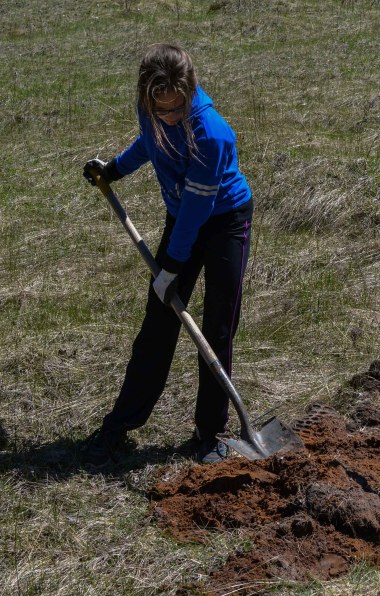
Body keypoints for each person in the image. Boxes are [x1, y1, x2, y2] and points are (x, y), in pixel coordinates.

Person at [81, 44, 253, 465]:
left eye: (178, 109)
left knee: (217, 325)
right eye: (163, 111)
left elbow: (198, 208)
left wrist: (172, 266)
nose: (171, 117)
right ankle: (119, 425)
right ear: (148, 98)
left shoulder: (211, 133)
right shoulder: (151, 109)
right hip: (183, 217)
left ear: (190, 91)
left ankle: (210, 432)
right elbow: (150, 143)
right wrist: (116, 169)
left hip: (224, 219)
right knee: (158, 323)